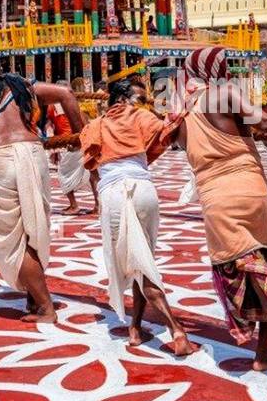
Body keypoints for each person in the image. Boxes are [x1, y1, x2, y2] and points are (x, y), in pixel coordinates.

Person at [172, 46, 267, 387]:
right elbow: (266, 123)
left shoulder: (179, 117)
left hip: (217, 200)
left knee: (258, 280)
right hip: (253, 190)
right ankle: (264, 353)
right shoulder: (224, 94)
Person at [0, 51, 86, 323]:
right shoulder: (19, 84)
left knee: (13, 240)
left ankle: (46, 307)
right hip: (34, 154)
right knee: (33, 229)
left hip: (0, 161)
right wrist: (81, 136)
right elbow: (66, 94)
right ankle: (34, 297)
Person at [80, 78, 198, 355]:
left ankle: (175, 330)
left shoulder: (95, 126)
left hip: (113, 195)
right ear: (127, 99)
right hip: (144, 189)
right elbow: (168, 131)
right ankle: (136, 327)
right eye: (139, 98)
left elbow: (92, 166)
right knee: (142, 258)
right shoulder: (142, 117)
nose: (142, 103)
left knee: (139, 264)